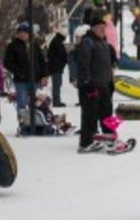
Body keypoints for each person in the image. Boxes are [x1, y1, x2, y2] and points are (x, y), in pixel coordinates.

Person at [76, 16, 116, 152]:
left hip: (104, 83)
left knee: (107, 113)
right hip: (91, 85)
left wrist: (110, 82)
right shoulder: (87, 41)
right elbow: (83, 63)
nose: (103, 31)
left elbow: (108, 65)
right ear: (93, 28)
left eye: (104, 28)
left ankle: (110, 137)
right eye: (100, 28)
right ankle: (86, 142)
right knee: (90, 114)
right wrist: (87, 82)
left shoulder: (104, 43)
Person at [2, 22, 49, 114]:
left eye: (25, 32)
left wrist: (44, 75)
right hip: (21, 81)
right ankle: (24, 125)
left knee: (37, 104)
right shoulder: (12, 46)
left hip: (36, 79)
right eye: (21, 32)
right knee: (22, 104)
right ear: (17, 34)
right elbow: (7, 63)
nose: (23, 34)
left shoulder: (34, 45)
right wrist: (19, 72)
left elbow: (42, 61)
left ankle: (37, 124)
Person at [46, 31, 68, 107]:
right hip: (56, 67)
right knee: (57, 84)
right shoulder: (57, 42)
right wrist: (63, 62)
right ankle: (56, 101)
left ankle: (56, 100)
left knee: (57, 84)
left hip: (56, 67)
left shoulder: (55, 41)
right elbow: (61, 54)